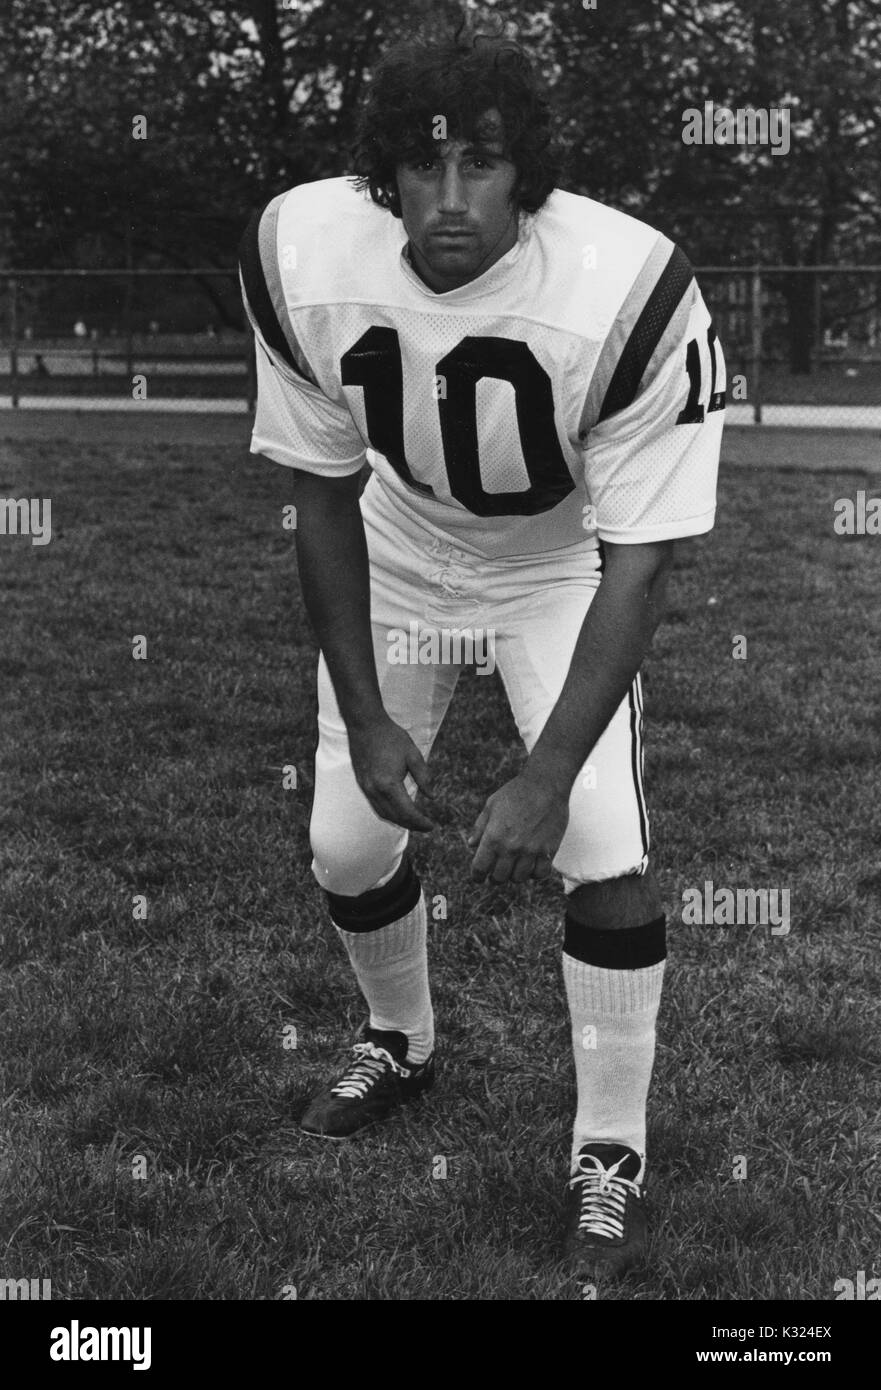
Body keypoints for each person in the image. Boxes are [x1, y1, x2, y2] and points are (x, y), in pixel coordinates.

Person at [239, 31, 725, 1278]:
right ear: (381, 175)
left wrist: (547, 768)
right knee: (346, 841)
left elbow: (640, 560)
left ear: (530, 176)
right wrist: (366, 713)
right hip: (399, 544)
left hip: (559, 564)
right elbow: (322, 497)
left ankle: (606, 1149)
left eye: (484, 165)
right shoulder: (300, 249)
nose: (451, 198)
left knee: (601, 846)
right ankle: (399, 1037)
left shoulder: (628, 286)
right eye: (423, 163)